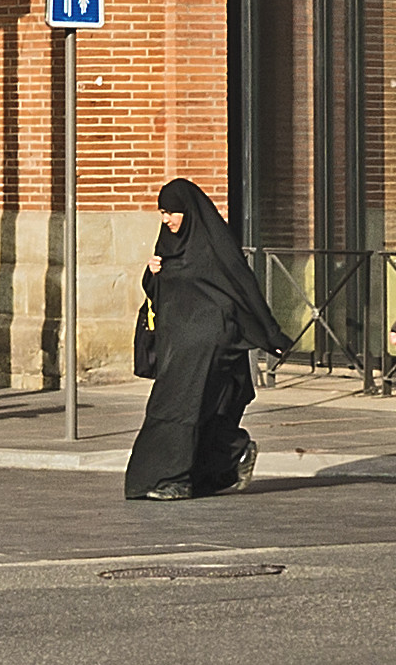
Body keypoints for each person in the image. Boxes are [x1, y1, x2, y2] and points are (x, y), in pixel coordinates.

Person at [118, 179, 280, 502]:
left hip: (211, 348)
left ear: (188, 212)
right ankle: (226, 457)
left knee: (186, 409)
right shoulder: (169, 245)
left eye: (171, 212)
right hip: (178, 350)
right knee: (186, 411)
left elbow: (241, 288)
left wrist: (269, 333)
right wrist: (151, 274)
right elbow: (160, 296)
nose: (166, 220)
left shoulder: (214, 247)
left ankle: (172, 479)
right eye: (162, 213)